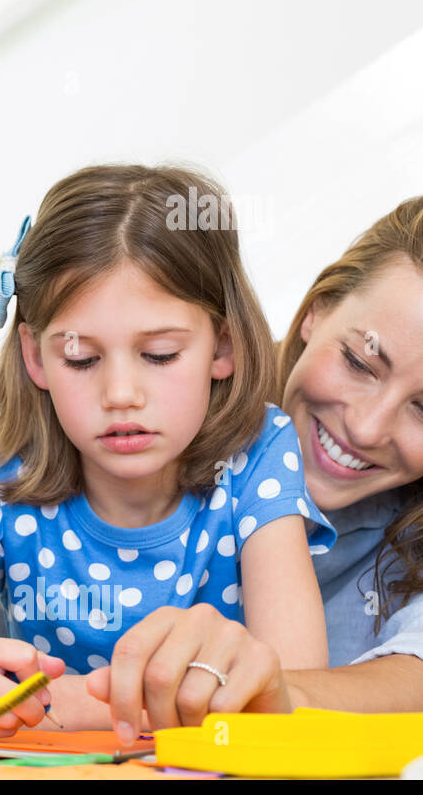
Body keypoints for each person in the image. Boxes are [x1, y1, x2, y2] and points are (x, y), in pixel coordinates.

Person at [0, 164, 332, 735]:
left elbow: (294, 690)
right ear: (35, 357)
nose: (120, 394)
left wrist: (45, 704)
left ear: (224, 346)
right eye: (82, 359)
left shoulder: (258, 455)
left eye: (161, 354)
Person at [92, 196, 423, 733]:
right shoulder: (148, 422)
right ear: (316, 310)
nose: (366, 427)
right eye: (359, 363)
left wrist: (267, 689)